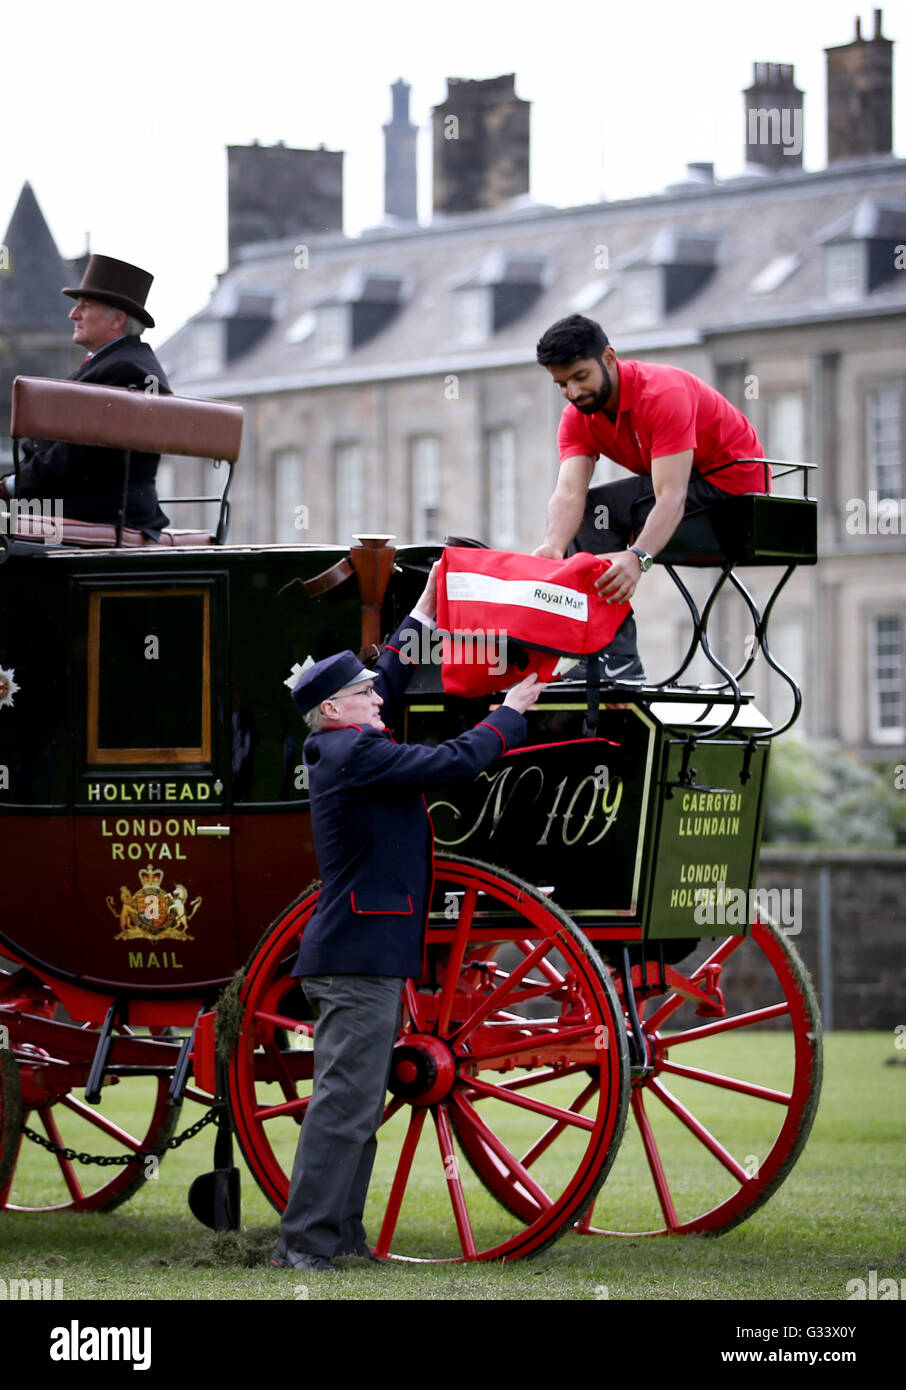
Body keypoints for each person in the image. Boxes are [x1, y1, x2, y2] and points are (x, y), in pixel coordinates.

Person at [272, 564, 544, 1273]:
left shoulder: (346, 735)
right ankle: (302, 1247)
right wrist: (512, 709)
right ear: (334, 710)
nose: (378, 700)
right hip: (357, 955)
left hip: (366, 953)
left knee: (357, 1106)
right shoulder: (353, 749)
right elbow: (457, 760)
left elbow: (383, 676)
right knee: (342, 1107)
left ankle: (340, 1239)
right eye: (362, 696)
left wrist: (421, 611)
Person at [533, 314, 769, 677]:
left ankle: (615, 660)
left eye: (581, 377)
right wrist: (552, 546)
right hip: (686, 487)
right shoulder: (577, 417)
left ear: (609, 358)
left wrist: (637, 557)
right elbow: (568, 491)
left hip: (735, 494)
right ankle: (606, 653)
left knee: (601, 514)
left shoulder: (661, 393)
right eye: (562, 384)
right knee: (587, 516)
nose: (574, 393)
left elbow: (671, 495)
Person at [0, 254, 171, 538]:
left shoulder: (126, 370)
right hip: (88, 507)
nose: (73, 314)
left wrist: (12, 486)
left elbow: (78, 457)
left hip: (97, 512)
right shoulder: (119, 365)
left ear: (117, 318)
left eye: (85, 306)